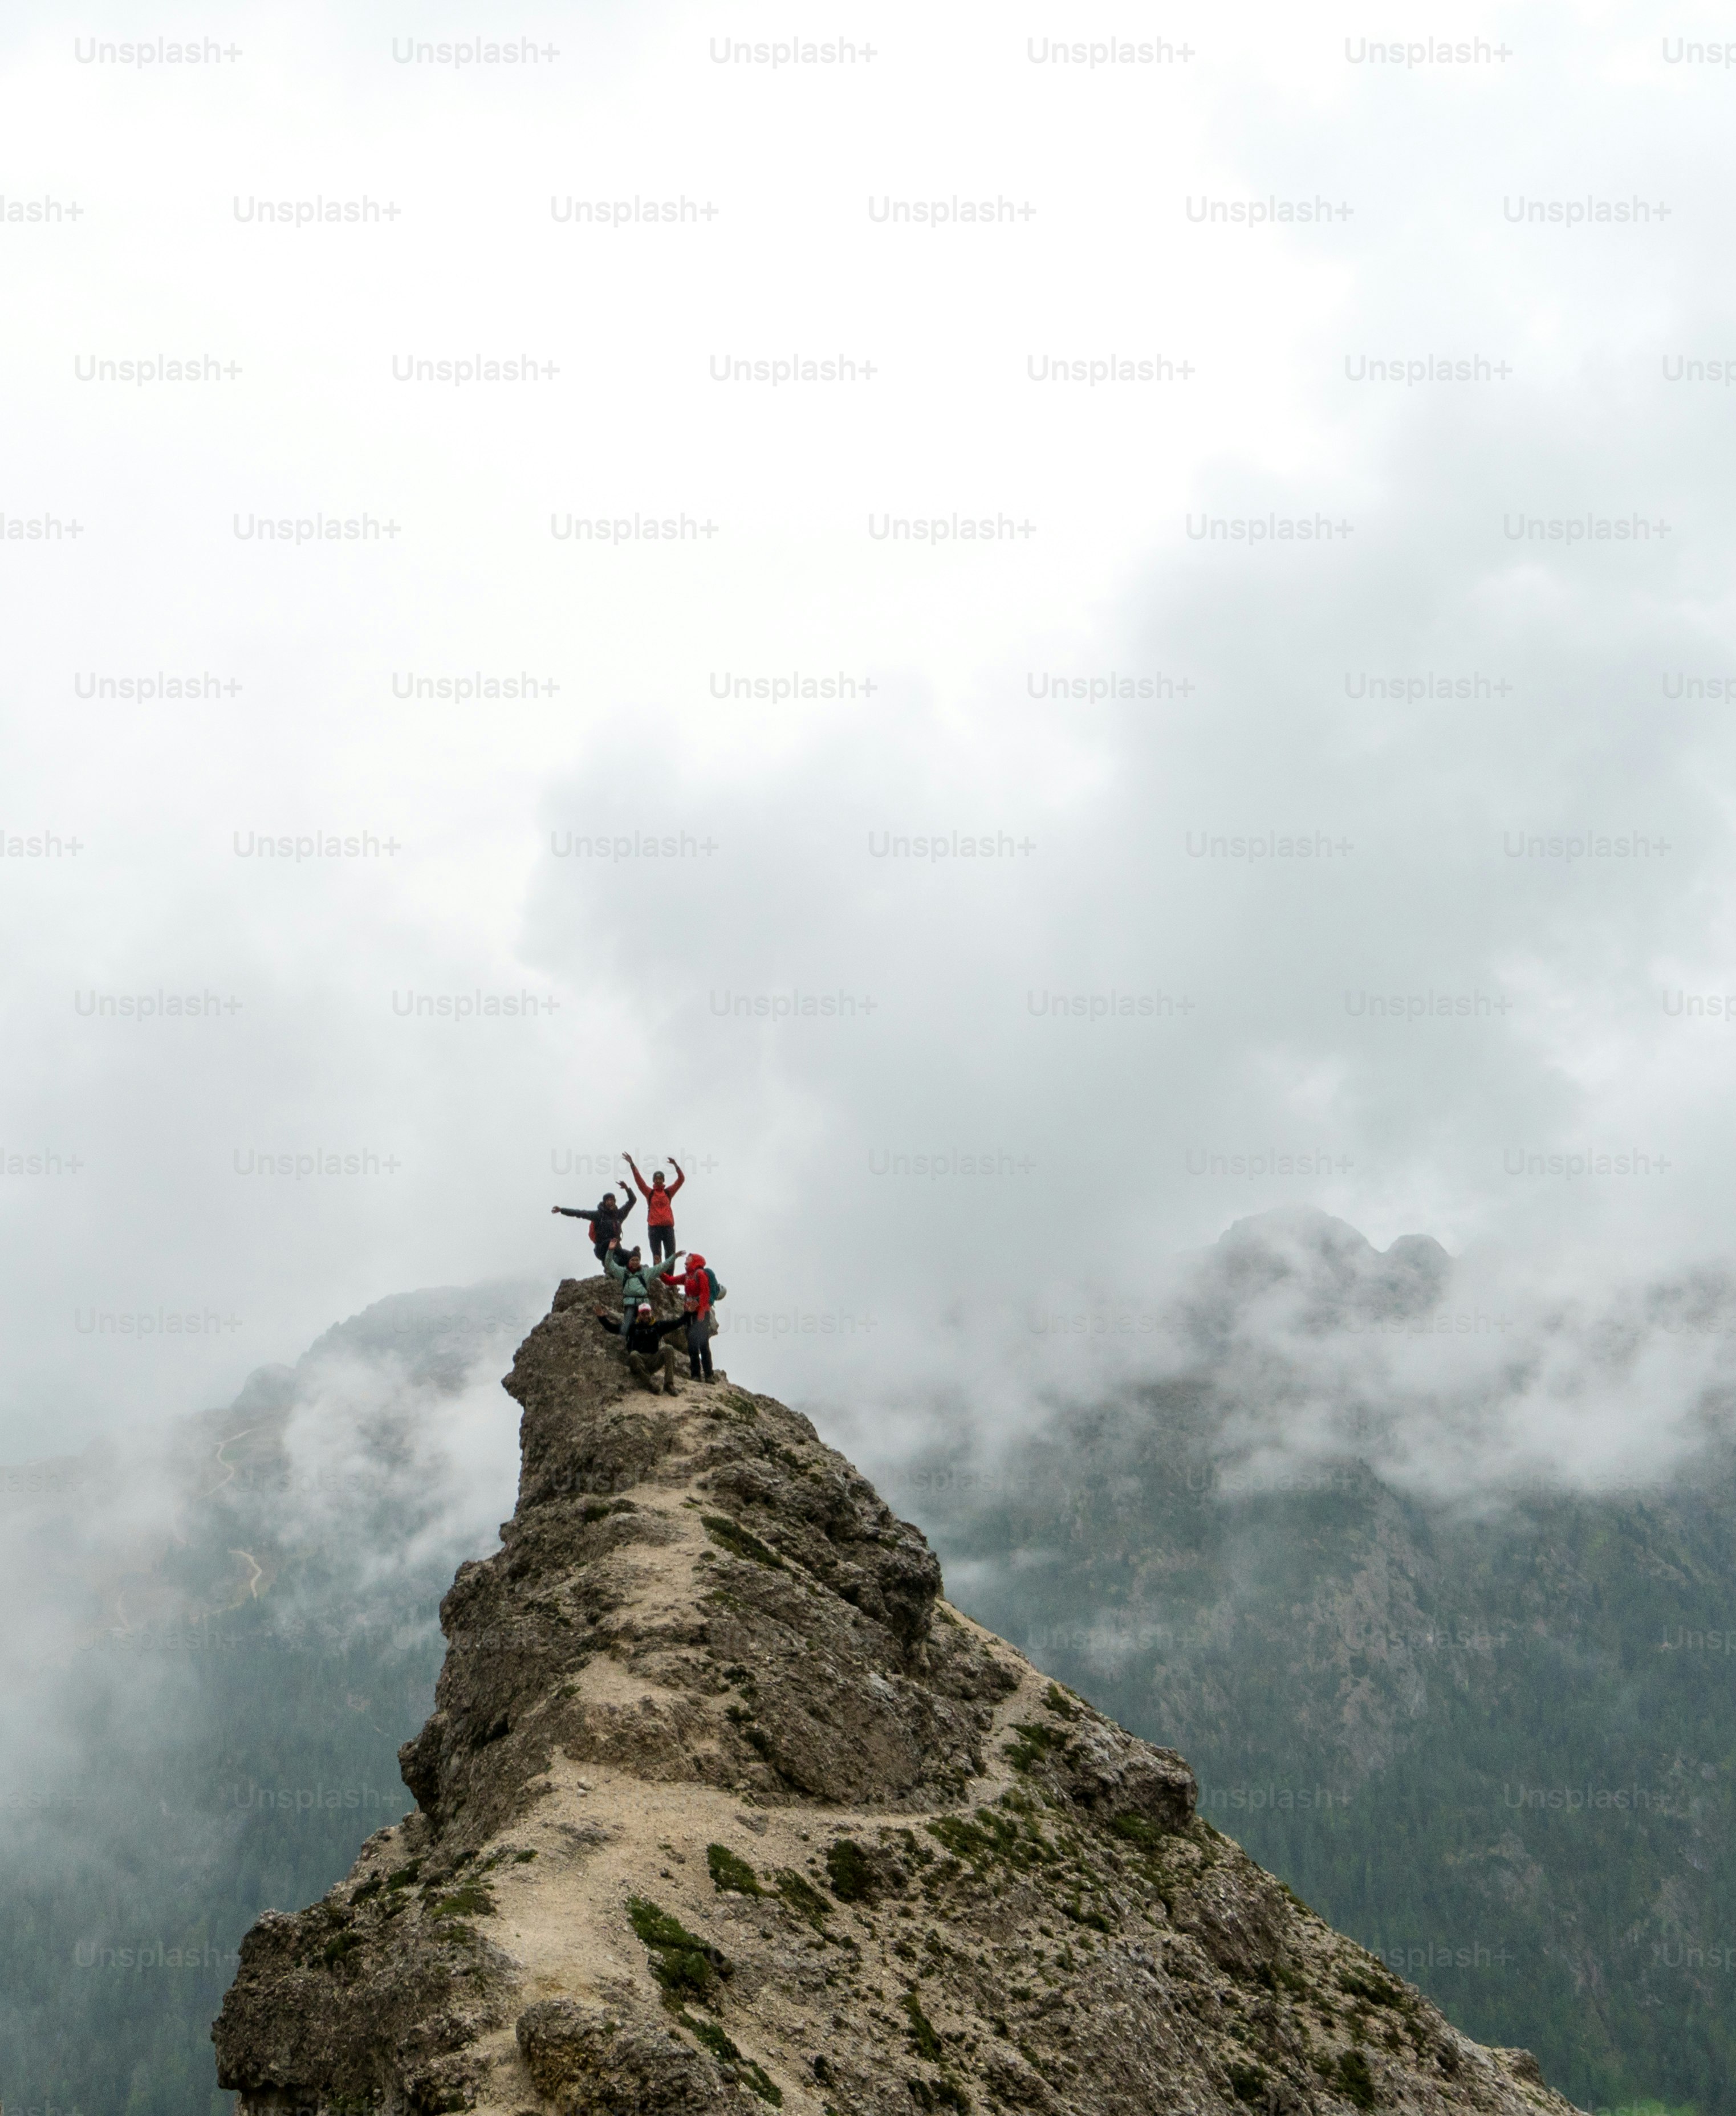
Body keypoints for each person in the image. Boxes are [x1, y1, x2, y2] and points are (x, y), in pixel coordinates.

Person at [596, 1302, 685, 1395]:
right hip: (638, 1362)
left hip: (653, 1361)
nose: (646, 1316)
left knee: (669, 1348)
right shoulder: (632, 1327)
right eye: (643, 1313)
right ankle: (649, 1384)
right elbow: (613, 1328)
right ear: (639, 1314)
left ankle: (669, 1384)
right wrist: (602, 1318)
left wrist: (688, 1313)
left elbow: (676, 1324)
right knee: (633, 1355)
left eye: (648, 1313)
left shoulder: (658, 1326)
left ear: (651, 1313)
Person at [605, 1240, 680, 1338]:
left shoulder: (646, 1273)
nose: (635, 1262)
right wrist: (610, 1250)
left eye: (637, 1260)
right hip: (630, 1305)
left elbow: (662, 1267)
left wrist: (674, 1257)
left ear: (640, 1261)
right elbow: (609, 1264)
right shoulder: (623, 1273)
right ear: (629, 1261)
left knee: (646, 1326)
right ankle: (632, 1345)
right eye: (633, 1260)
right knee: (629, 1328)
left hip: (643, 1304)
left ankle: (646, 1345)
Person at [661, 1250, 715, 1383]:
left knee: (703, 1344)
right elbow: (669, 1281)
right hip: (691, 1313)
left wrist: (699, 1309)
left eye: (688, 1259)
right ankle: (697, 1374)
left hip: (700, 1313)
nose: (686, 1261)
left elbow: (705, 1294)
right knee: (692, 1344)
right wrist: (660, 1270)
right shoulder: (688, 1276)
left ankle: (708, 1375)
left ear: (695, 1261)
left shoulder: (700, 1274)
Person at [626, 1152, 686, 1265]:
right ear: (654, 1181)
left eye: (661, 1179)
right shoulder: (650, 1193)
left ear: (663, 1180)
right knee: (656, 1255)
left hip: (668, 1228)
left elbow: (681, 1180)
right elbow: (640, 1182)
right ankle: (657, 1275)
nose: (658, 1181)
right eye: (656, 1179)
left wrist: (676, 1166)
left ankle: (669, 1276)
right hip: (654, 1228)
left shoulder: (668, 1192)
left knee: (670, 1255)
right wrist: (632, 1165)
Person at [551, 1187, 637, 1264]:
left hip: (616, 1248)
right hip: (601, 1248)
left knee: (632, 1256)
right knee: (612, 1247)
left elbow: (632, 1201)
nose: (610, 1202)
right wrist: (562, 1210)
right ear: (605, 1203)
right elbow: (581, 1213)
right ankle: (609, 1266)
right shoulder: (599, 1215)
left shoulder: (619, 1215)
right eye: (608, 1200)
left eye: (612, 1200)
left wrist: (627, 1189)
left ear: (615, 1202)